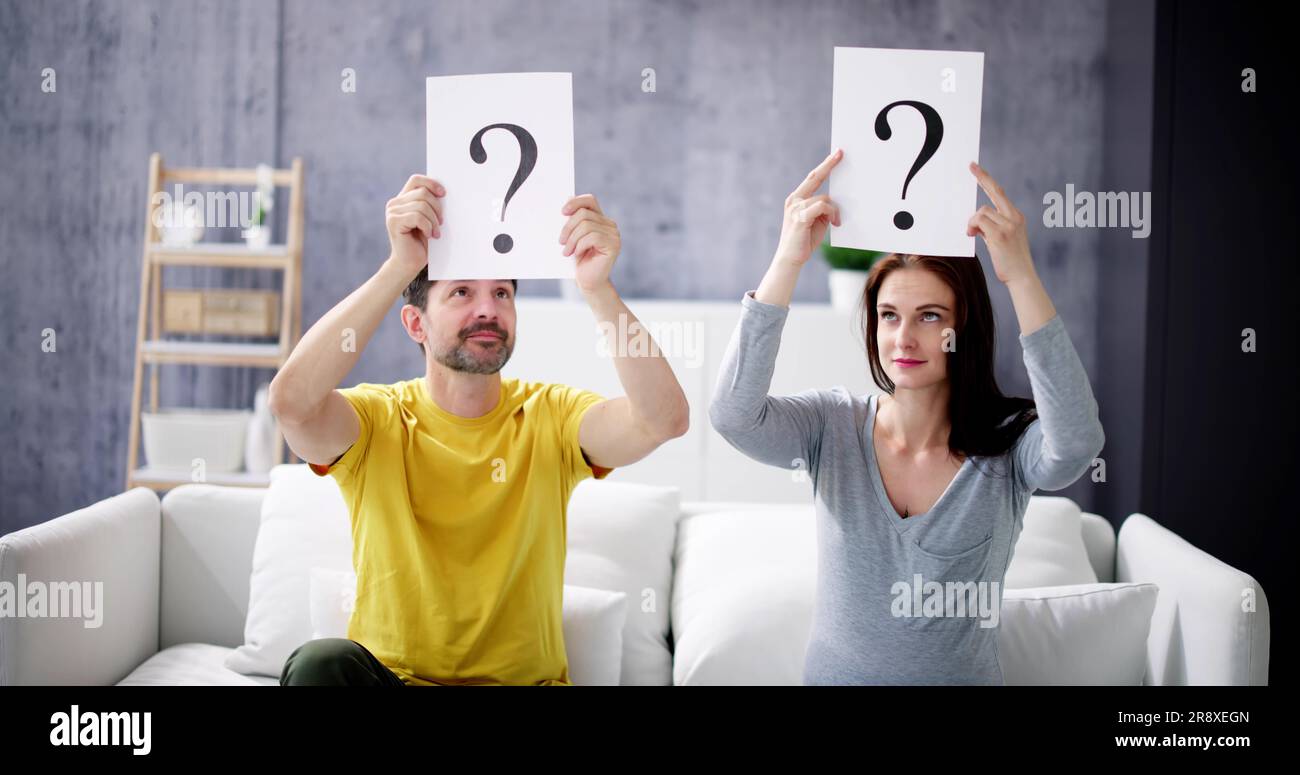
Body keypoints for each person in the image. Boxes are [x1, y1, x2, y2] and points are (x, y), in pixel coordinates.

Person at [708, 148, 1105, 685]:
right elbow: (734, 416)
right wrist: (787, 260)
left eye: (930, 316)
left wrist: (1022, 277)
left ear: (962, 329)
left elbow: (1077, 445)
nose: (903, 338)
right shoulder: (831, 427)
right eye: (889, 315)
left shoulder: (1009, 447)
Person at [272, 174, 689, 685]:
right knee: (321, 664)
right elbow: (292, 404)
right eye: (462, 292)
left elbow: (663, 419)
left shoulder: (550, 417)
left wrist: (597, 288)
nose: (488, 309)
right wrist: (399, 267)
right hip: (396, 682)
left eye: (501, 294)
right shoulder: (378, 420)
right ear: (415, 324)